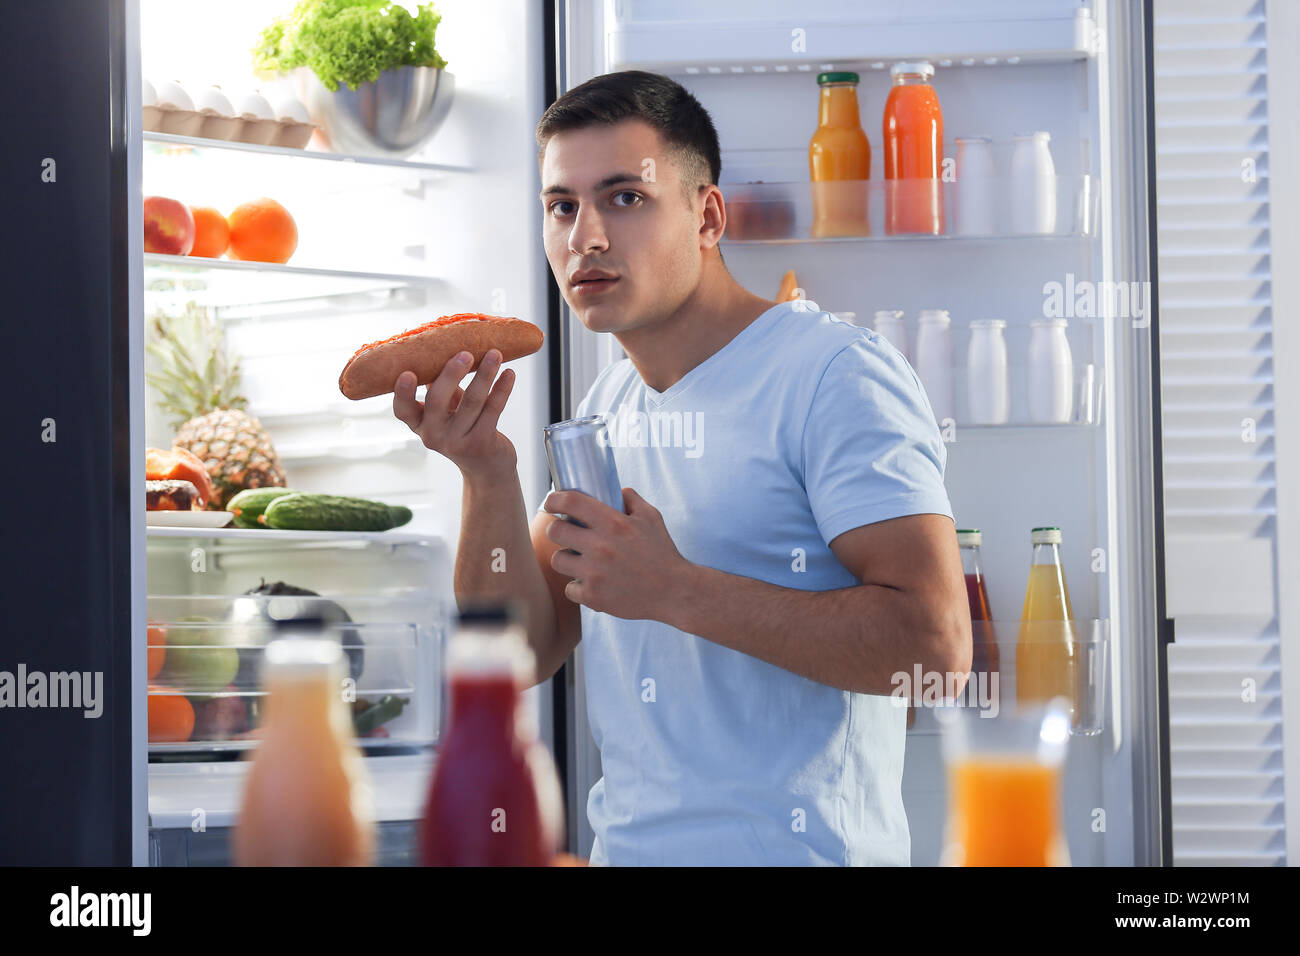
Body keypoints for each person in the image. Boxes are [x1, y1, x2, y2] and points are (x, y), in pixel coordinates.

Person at [392, 70, 970, 866]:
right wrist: (486, 473)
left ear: (707, 215)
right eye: (562, 206)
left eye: (625, 197)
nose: (585, 236)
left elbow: (935, 651)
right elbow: (524, 648)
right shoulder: (611, 400)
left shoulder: (834, 376)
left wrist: (674, 589)